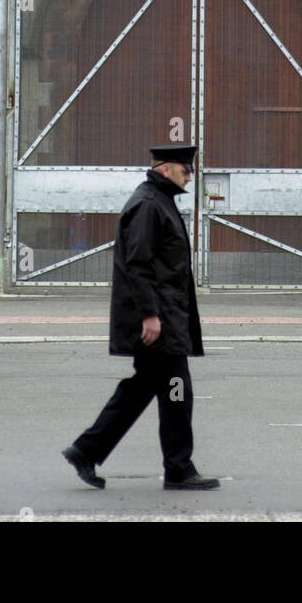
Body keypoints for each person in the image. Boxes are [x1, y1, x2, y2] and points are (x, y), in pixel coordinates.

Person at [63, 144, 220, 491]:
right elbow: (139, 263)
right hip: (158, 322)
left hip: (164, 319)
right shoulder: (150, 205)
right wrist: (150, 315)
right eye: (185, 169)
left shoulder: (158, 201)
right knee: (177, 390)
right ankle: (178, 468)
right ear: (166, 169)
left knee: (143, 387)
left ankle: (86, 449)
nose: (190, 175)